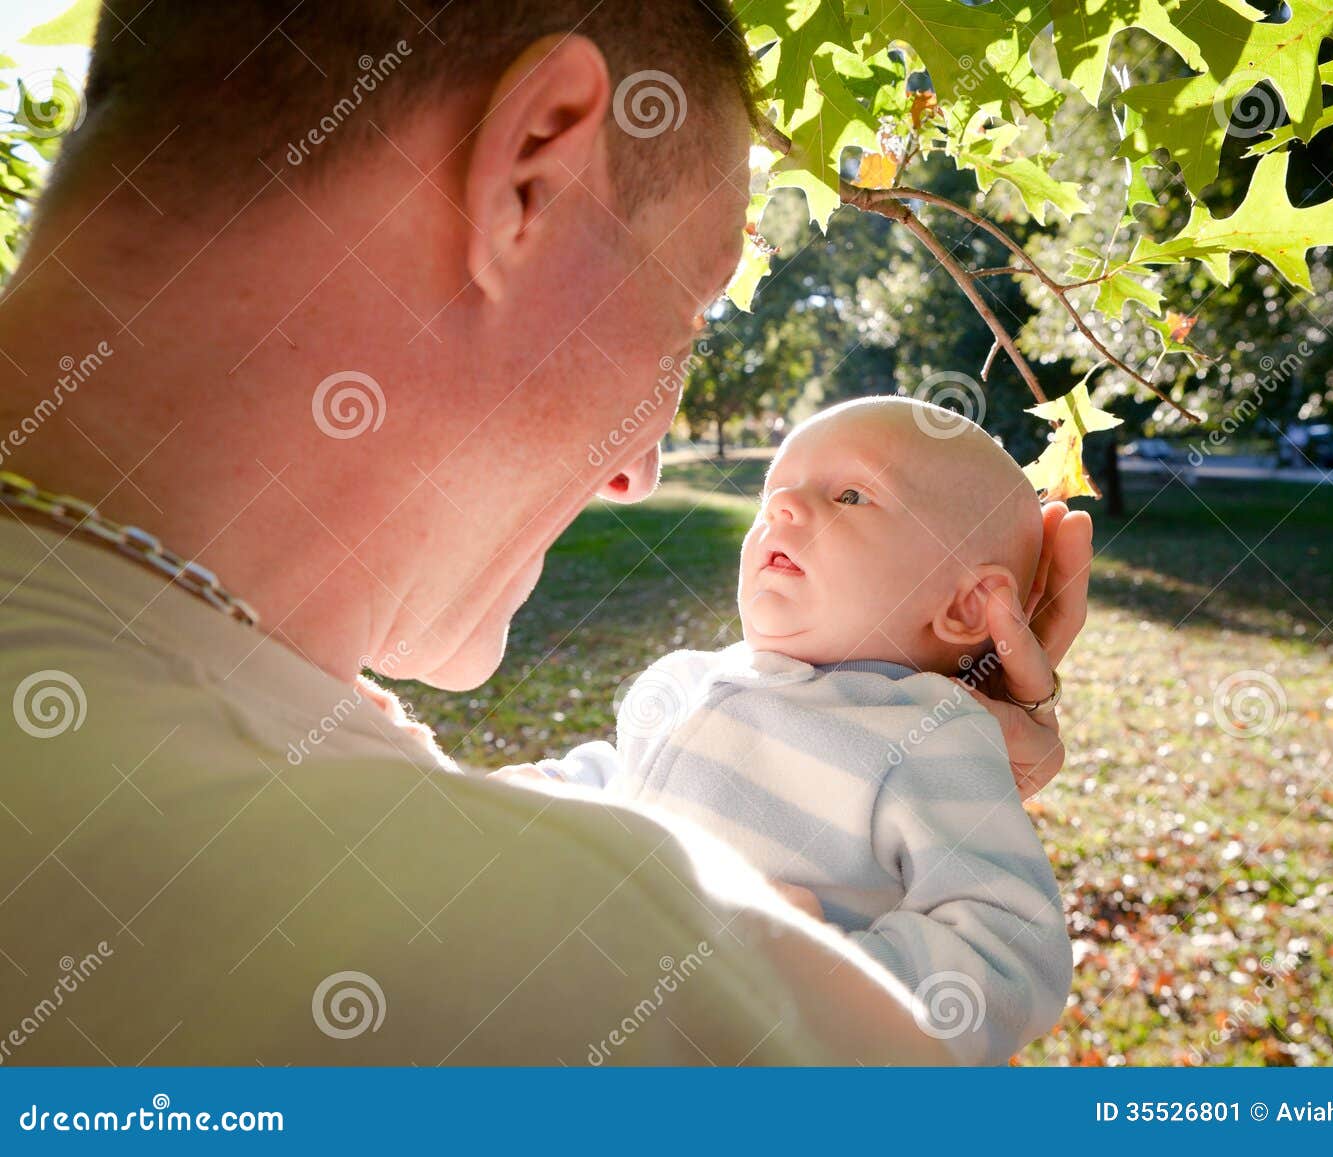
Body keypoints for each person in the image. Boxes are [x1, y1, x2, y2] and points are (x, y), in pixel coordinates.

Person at [0, 1, 1091, 1064]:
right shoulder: (593, 975)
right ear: (531, 166)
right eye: (685, 312)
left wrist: (875, 753)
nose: (638, 468)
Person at [508, 398, 1074, 1064]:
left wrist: (820, 979)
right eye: (771, 496)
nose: (782, 508)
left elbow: (1010, 946)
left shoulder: (928, 735)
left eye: (850, 494)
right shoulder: (693, 676)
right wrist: (555, 788)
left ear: (964, 605)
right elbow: (634, 782)